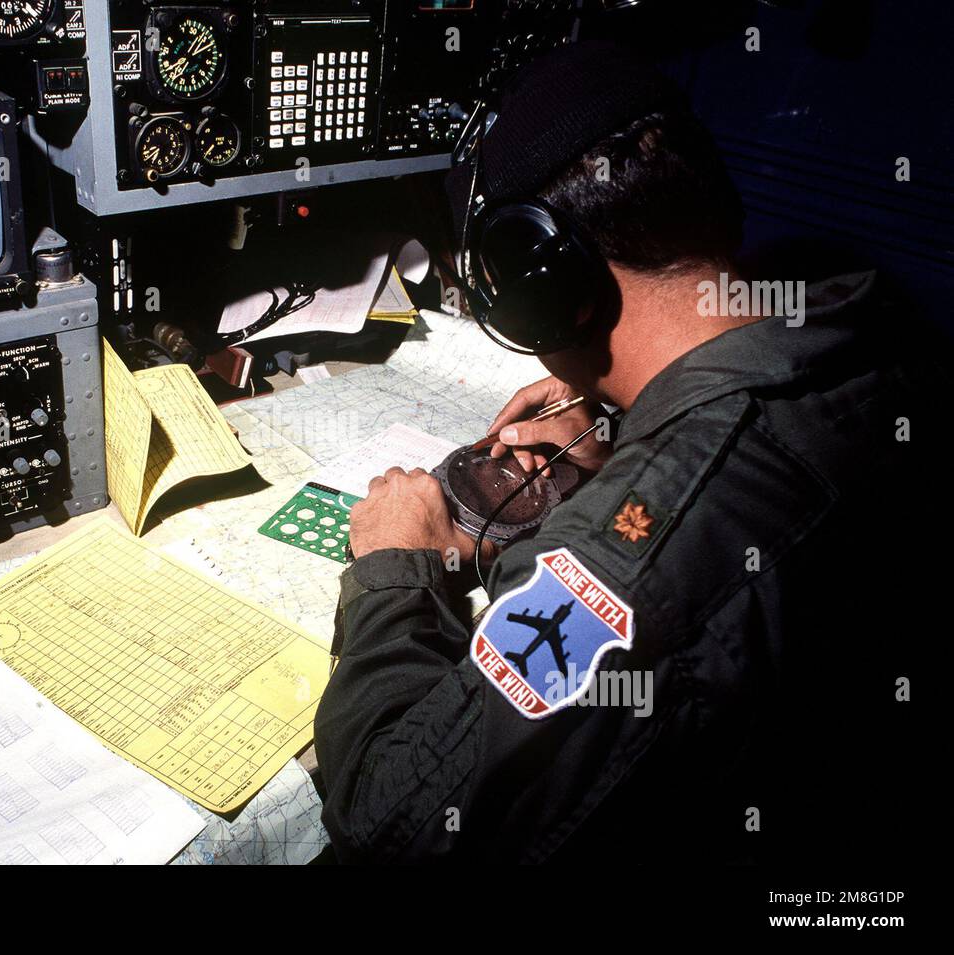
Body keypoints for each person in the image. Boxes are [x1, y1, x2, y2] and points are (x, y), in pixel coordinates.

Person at [314, 42, 936, 863]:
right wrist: (640, 432)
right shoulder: (866, 330)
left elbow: (389, 815)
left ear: (543, 290)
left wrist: (399, 565)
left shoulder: (627, 570)